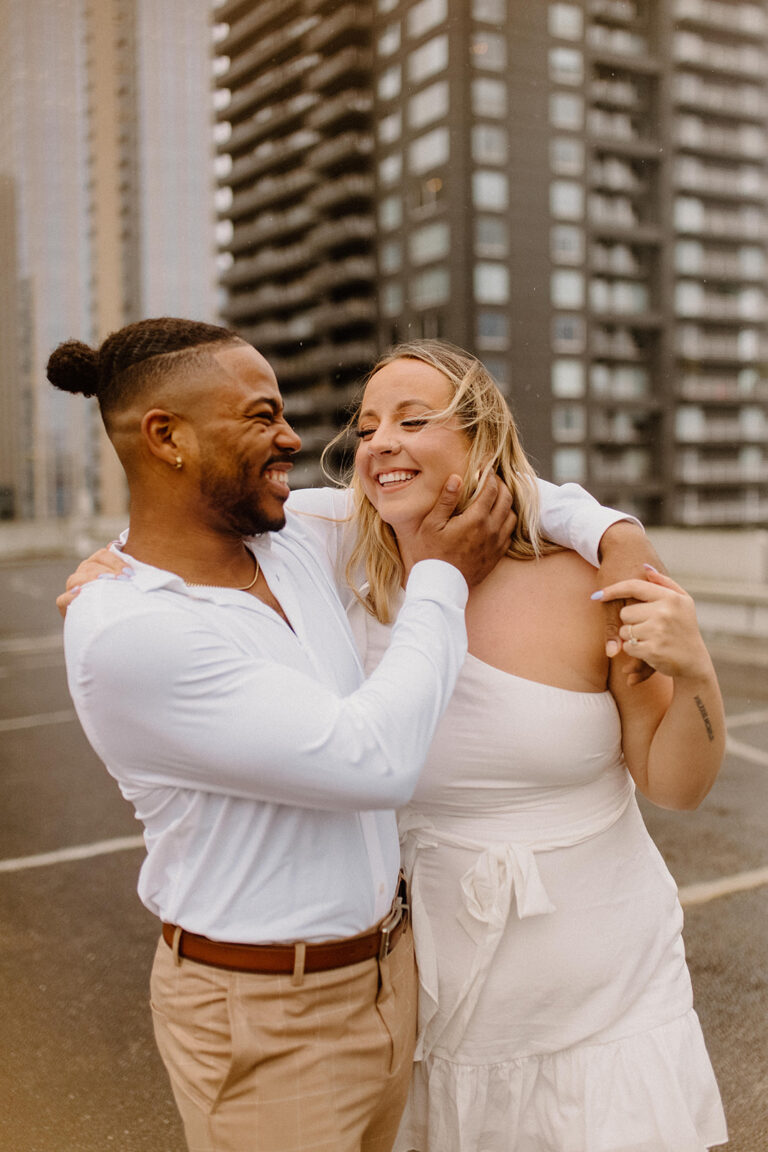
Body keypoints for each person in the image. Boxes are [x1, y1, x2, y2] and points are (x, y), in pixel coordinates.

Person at [49, 319, 653, 1152]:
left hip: (390, 979)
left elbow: (470, 482)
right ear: (167, 437)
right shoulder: (131, 630)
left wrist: (617, 535)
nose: (294, 438)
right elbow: (373, 762)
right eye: (261, 417)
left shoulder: (290, 539)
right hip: (265, 1014)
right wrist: (442, 575)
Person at [286, 340, 725, 1152]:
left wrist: (696, 672)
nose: (381, 440)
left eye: (414, 419)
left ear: (481, 438)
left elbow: (675, 785)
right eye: (369, 424)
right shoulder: (336, 578)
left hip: (610, 995)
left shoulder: (584, 580)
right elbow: (211, 522)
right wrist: (125, 568)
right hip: (435, 1001)